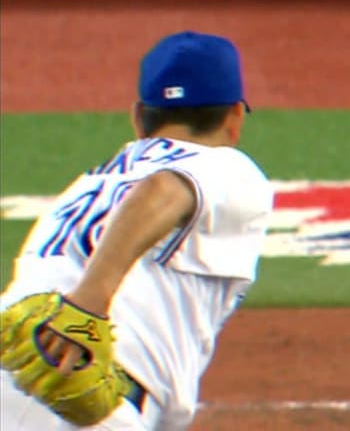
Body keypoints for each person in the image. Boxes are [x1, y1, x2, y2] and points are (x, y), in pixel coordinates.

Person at [0, 31, 273, 430]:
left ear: (137, 117)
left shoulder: (89, 186)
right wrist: (88, 303)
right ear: (234, 118)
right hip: (83, 395)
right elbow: (163, 190)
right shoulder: (228, 169)